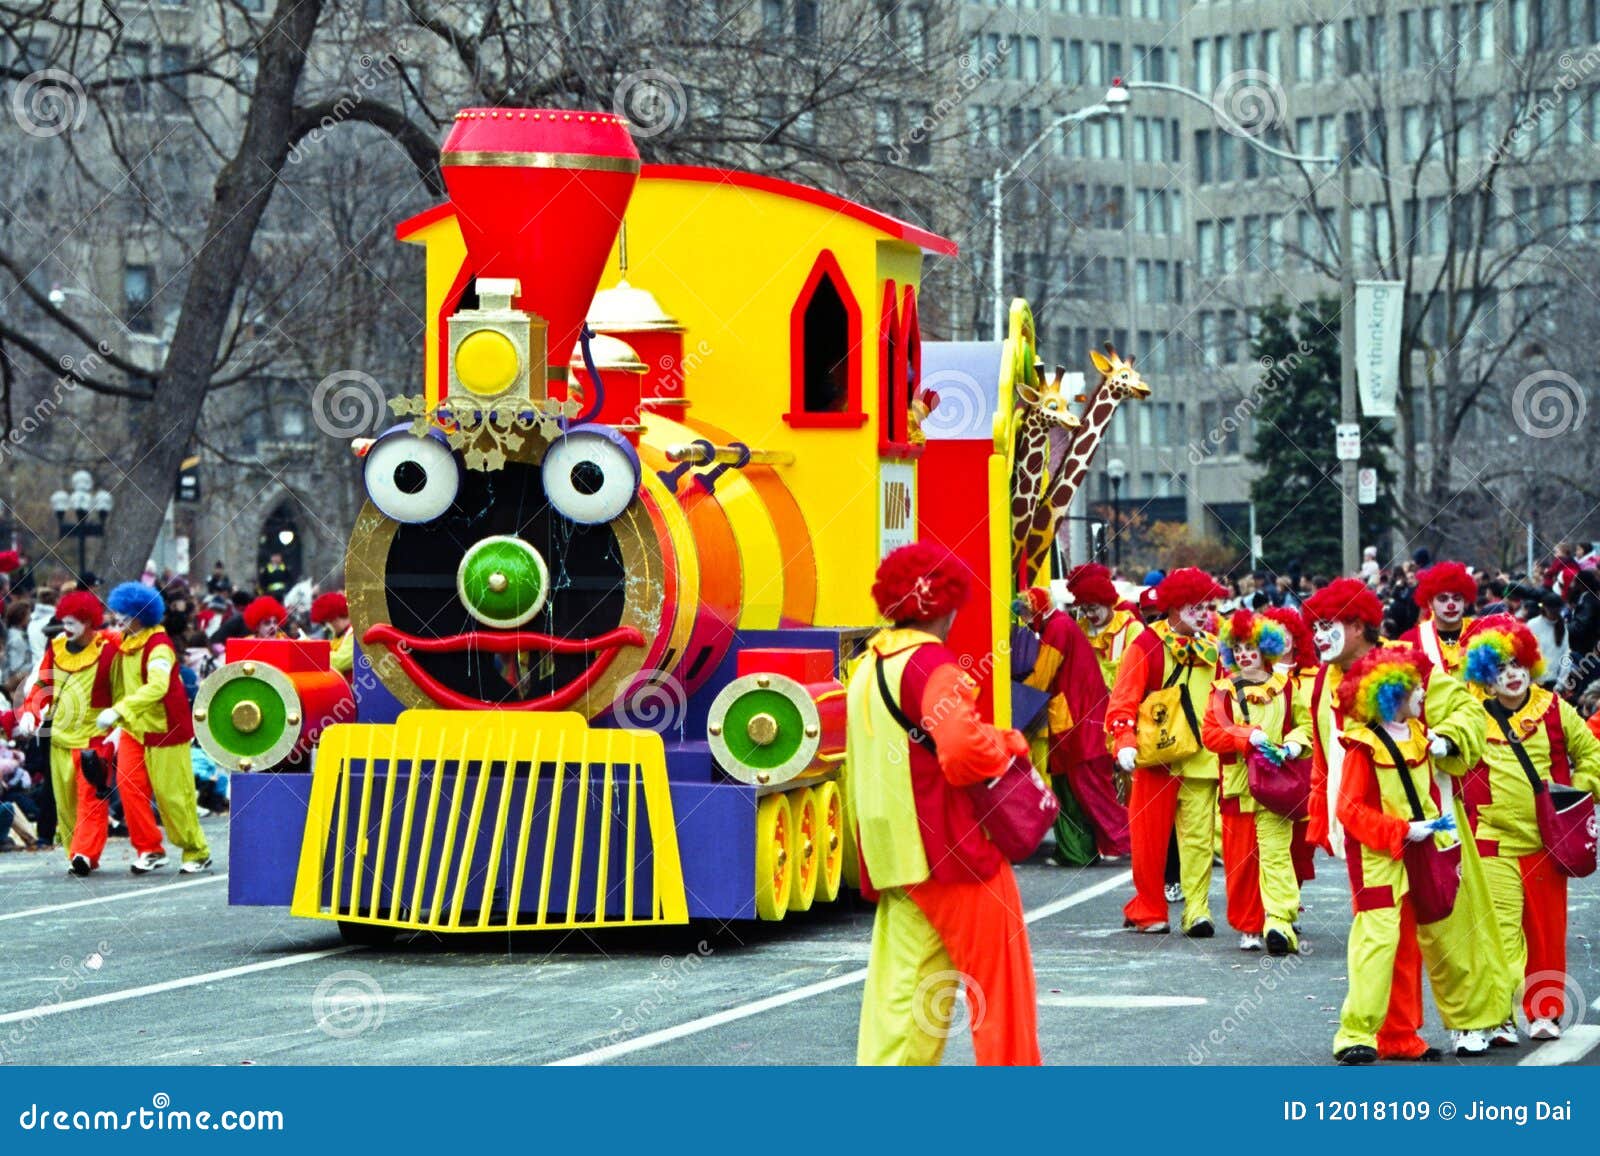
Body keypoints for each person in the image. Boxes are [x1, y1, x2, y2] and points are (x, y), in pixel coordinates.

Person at [847, 542, 1040, 1066]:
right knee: (1000, 993)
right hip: (956, 850)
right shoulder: (934, 665)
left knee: (901, 993)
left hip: (896, 854)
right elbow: (960, 752)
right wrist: (1007, 743)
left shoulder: (868, 665)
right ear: (947, 606)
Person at [1331, 646, 1513, 1063]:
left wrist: (1434, 831)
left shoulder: (1419, 737)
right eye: (1415, 689)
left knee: (1411, 946)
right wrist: (1401, 830)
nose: (1422, 696)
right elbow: (1350, 809)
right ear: (1393, 694)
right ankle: (1354, 1034)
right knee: (1377, 942)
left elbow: (1429, 793)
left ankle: (1399, 1036)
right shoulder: (1362, 744)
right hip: (1380, 857)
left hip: (1421, 852)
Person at [1461, 615, 1600, 1044]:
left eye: (1519, 665)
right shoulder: (1470, 716)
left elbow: (1592, 754)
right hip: (1491, 839)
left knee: (1545, 931)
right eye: (1501, 669)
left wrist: (1576, 793)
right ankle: (1499, 1014)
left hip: (1546, 841)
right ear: (1487, 676)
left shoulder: (1554, 709)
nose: (1513, 675)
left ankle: (1544, 1012)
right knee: (1498, 933)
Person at [1107, 567, 1228, 936]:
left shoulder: (1213, 649)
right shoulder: (1144, 645)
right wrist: (1124, 741)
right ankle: (1150, 909)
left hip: (1201, 760)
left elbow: (1224, 701)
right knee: (1147, 841)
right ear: (1175, 607)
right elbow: (1123, 699)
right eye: (1195, 606)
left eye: (1207, 606)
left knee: (1198, 840)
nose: (1204, 613)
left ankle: (1197, 909)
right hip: (1156, 758)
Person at [1202, 610, 1310, 955]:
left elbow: (1304, 724)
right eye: (1239, 649)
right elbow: (1212, 734)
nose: (1246, 655)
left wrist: (1294, 743)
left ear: (1266, 649)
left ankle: (1279, 922)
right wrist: (1246, 737)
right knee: (1242, 861)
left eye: (1252, 647)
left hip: (1277, 787)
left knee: (1277, 857)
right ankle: (1249, 925)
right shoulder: (1221, 692)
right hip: (1239, 786)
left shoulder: (1286, 687)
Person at [103, 582, 211, 875]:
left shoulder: (159, 647)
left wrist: (119, 710)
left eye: (125, 613)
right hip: (135, 729)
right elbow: (102, 641)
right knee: (130, 790)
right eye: (118, 612)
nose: (118, 617)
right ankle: (149, 848)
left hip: (165, 729)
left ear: (141, 614)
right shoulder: (126, 640)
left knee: (173, 794)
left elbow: (158, 686)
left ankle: (196, 849)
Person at [1017, 584, 1129, 864]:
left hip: (1078, 724)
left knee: (1090, 788)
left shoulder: (1057, 629)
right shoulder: (1061, 626)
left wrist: (1007, 693)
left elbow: (1041, 677)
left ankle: (1124, 841)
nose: (1025, 620)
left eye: (1027, 613)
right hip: (1081, 720)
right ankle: (1098, 845)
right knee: (1083, 788)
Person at [17, 592, 119, 875]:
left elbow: (126, 687)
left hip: (94, 739)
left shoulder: (107, 648)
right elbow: (42, 684)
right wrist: (30, 711)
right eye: (65, 621)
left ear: (88, 622)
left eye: (72, 622)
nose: (66, 627)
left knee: (92, 799)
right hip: (60, 738)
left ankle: (85, 853)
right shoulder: (57, 646)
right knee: (66, 803)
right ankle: (75, 851)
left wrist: (121, 725)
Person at [1400, 561, 1478, 677]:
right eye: (1443, 599)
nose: (1451, 605)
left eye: (1457, 598)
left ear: (1465, 602)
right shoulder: (1411, 640)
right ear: (1430, 603)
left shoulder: (1480, 632)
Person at [310, 591, 354, 677]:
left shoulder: (356, 635)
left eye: (324, 623)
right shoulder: (339, 635)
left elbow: (339, 662)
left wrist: (312, 655)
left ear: (334, 618)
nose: (324, 627)